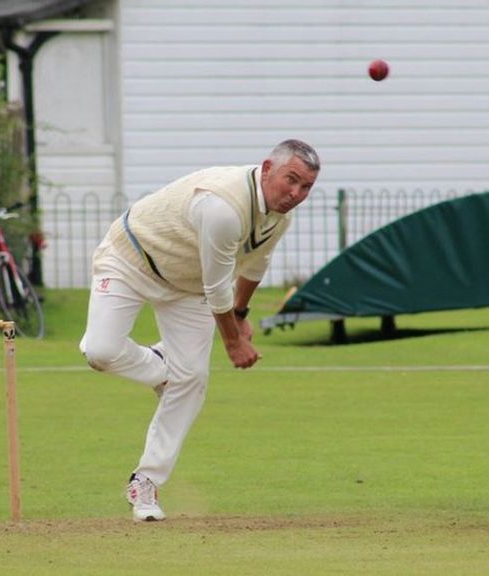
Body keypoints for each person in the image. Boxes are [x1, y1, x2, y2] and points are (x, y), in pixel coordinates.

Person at [79, 139, 320, 522]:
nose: (296, 193)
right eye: (291, 179)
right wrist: (233, 341)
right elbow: (217, 286)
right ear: (267, 169)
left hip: (187, 288)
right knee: (100, 351)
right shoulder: (223, 206)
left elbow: (256, 264)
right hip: (131, 258)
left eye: (306, 186)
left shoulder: (279, 217)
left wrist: (241, 314)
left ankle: (146, 482)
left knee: (192, 379)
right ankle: (162, 368)